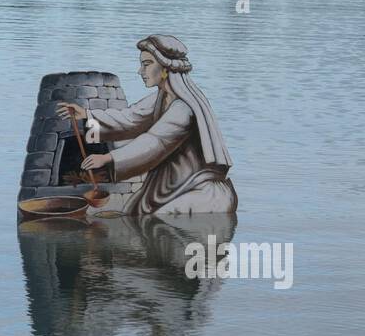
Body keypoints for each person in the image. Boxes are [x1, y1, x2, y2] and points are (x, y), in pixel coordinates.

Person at [57, 35, 237, 215]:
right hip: (170, 187)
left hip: (197, 193)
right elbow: (130, 118)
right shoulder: (162, 98)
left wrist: (107, 158)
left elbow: (154, 143)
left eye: (147, 64)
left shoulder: (183, 109)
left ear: (166, 68)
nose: (140, 71)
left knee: (150, 221)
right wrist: (86, 114)